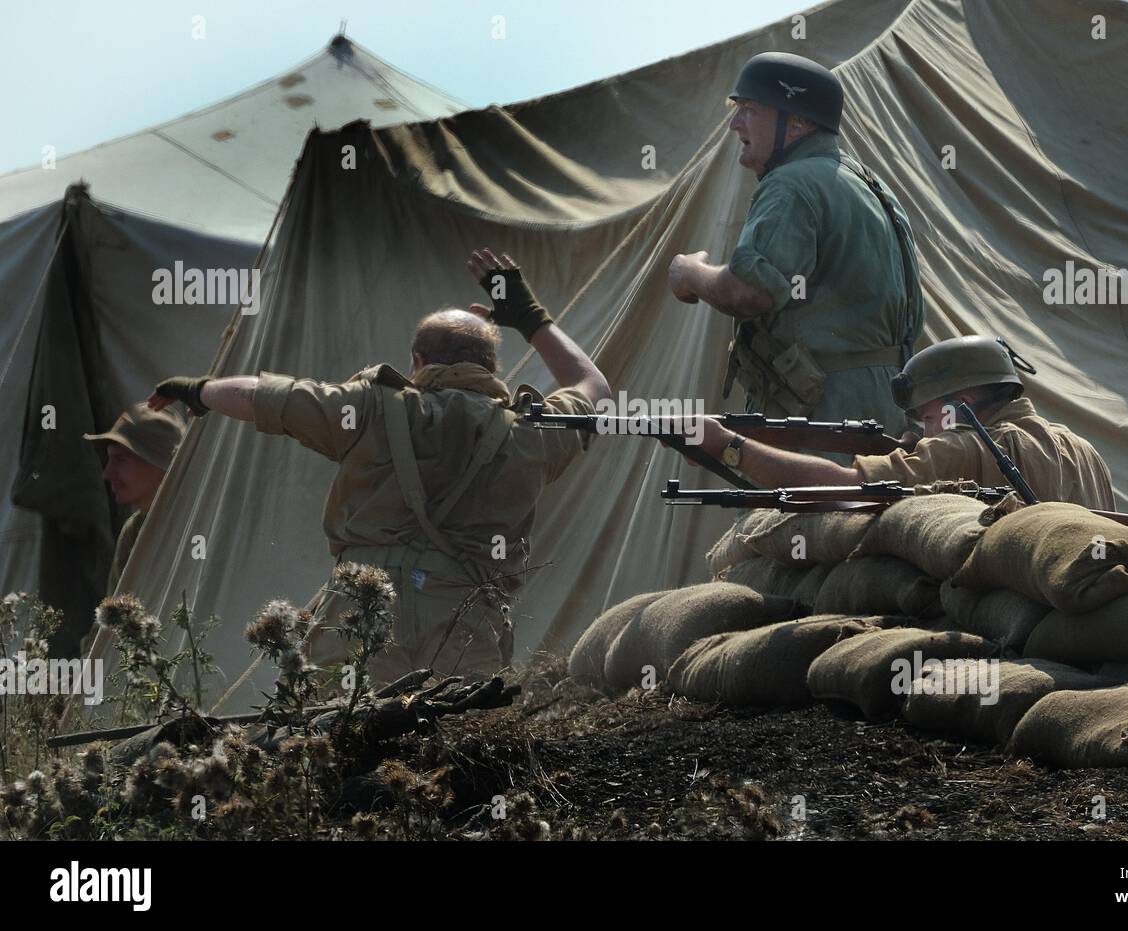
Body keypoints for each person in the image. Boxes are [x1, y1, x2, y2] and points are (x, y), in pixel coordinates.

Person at [148, 249, 612, 684]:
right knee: (455, 758)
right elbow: (594, 386)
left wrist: (198, 389)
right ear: (492, 367)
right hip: (466, 620)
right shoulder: (532, 433)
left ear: (418, 361)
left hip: (363, 612)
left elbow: (258, 396)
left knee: (346, 752)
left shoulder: (367, 408)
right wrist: (530, 318)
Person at [667, 51, 924, 444]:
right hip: (887, 410)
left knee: (792, 508)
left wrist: (691, 273)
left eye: (749, 109)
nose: (735, 123)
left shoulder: (791, 185)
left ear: (798, 122)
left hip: (822, 418)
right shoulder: (873, 187)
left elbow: (749, 292)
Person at [679, 336, 1116, 510]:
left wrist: (728, 447)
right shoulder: (1084, 451)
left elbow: (843, 489)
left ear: (959, 405)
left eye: (927, 418)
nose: (924, 432)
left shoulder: (967, 448)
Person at [83, 403, 186, 596]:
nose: (107, 473)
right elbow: (116, 616)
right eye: (109, 460)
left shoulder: (196, 521)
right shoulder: (134, 531)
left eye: (121, 460)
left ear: (159, 462)